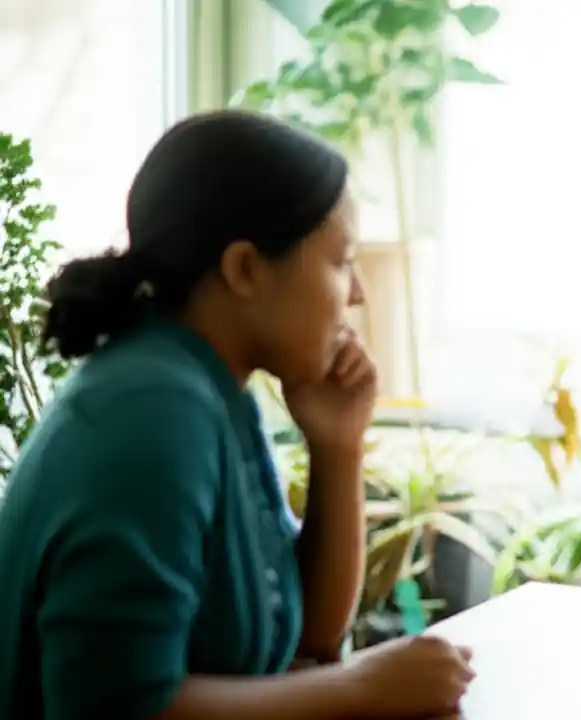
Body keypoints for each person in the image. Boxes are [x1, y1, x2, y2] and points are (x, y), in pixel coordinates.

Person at [0, 110, 474, 718]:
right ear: (245, 269)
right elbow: (115, 706)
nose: (356, 293)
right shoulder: (153, 412)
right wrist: (366, 689)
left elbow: (309, 639)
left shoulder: (209, 389)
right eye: (340, 261)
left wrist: (338, 447)